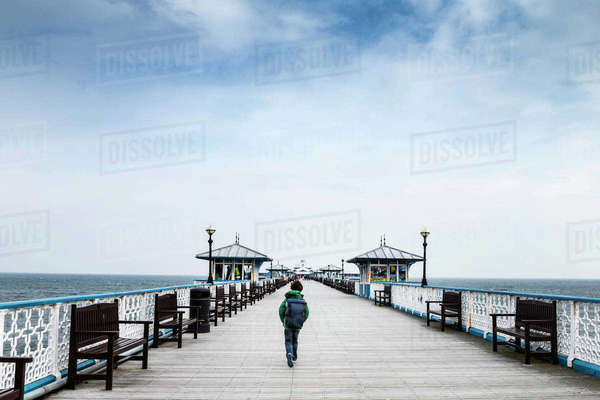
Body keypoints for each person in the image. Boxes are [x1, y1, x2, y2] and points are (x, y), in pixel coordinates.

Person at [278, 280, 309, 367]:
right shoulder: (302, 299)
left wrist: (283, 320)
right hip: (297, 325)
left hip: (288, 324)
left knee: (288, 341)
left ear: (291, 288)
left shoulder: (287, 299)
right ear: (300, 290)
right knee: (295, 340)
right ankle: (294, 356)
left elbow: (281, 310)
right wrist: (301, 320)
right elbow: (306, 312)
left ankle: (289, 353)